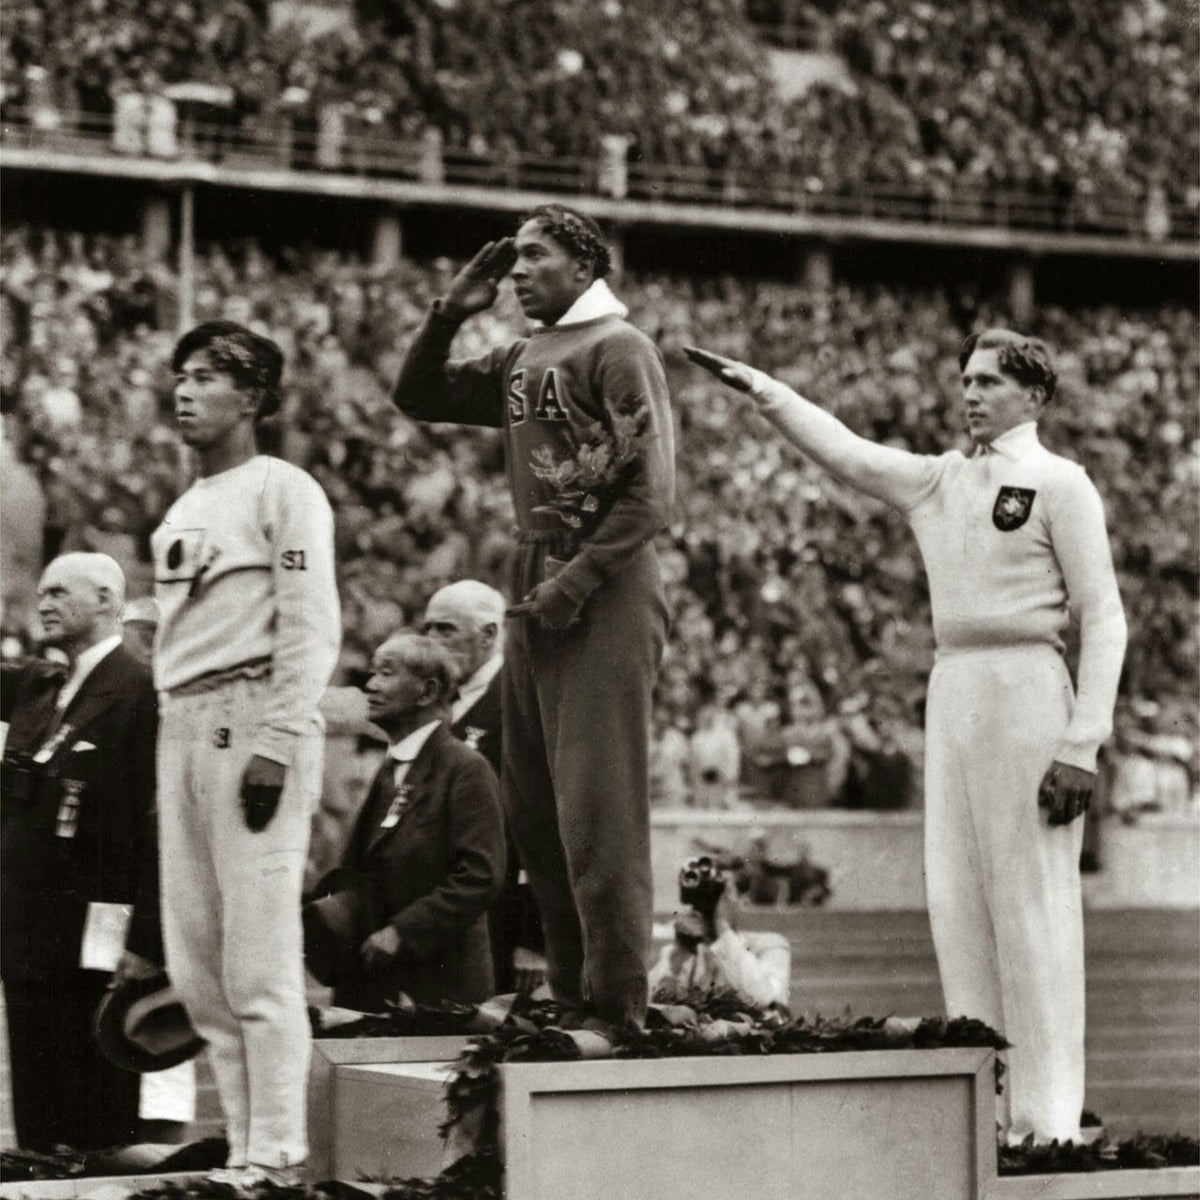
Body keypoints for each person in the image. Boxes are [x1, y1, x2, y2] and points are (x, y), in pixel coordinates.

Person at [686, 328, 1127, 1144]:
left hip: (1029, 681)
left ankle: (1050, 1119)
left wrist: (1081, 743)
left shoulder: (1061, 483)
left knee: (1031, 906)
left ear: (1033, 396)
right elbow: (847, 451)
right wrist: (763, 390)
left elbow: (1103, 615)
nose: (970, 393)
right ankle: (984, 1105)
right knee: (956, 900)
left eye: (990, 381)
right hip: (953, 683)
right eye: (965, 379)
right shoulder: (939, 482)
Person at [392, 205, 675, 1029]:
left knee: (598, 806)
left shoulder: (618, 349)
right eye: (513, 257)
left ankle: (618, 1004)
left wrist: (575, 580)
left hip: (604, 576)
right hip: (537, 567)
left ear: (584, 269)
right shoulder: (525, 354)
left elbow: (651, 495)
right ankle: (568, 987)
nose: (517, 270)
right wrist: (449, 313)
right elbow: (420, 395)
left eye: (535, 255)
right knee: (538, 809)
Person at [151, 321, 340, 1185]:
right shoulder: (185, 506)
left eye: (206, 377)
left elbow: (310, 621)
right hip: (182, 722)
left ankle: (278, 1154)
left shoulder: (284, 489)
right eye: (180, 376)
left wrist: (276, 738)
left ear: (254, 397)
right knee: (199, 968)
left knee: (259, 960)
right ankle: (240, 1149)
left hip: (249, 715)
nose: (184, 392)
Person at [1, 553, 159, 1150]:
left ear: (107, 601)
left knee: (97, 1110)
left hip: (100, 922)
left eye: (61, 592)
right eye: (41, 592)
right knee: (38, 1110)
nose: (44, 602)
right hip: (27, 923)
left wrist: (146, 937)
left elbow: (153, 825)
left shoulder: (139, 688)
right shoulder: (39, 686)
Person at [304, 633, 506, 1011]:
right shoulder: (391, 768)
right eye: (373, 672)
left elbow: (479, 876)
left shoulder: (465, 769)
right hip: (375, 978)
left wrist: (403, 931)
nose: (371, 685)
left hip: (438, 989)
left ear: (427, 691)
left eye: (387, 673)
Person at [422, 580, 547, 994]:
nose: (433, 641)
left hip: (502, 916)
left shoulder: (522, 700)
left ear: (489, 634)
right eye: (428, 630)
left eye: (446, 630)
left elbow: (543, 818)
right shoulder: (438, 702)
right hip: (444, 911)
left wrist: (534, 938)